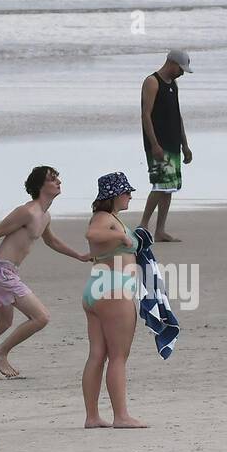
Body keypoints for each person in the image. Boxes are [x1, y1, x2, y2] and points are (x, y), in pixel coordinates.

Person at [0, 166, 89, 379]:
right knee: (41, 317)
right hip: (1, 272)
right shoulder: (26, 211)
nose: (58, 182)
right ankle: (0, 353)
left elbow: (52, 241)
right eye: (52, 179)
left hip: (6, 271)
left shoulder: (45, 215)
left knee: (3, 323)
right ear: (40, 186)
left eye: (58, 178)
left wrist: (79, 256)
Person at [82, 173, 147, 429]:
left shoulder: (109, 218)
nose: (130, 195)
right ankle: (121, 416)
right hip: (113, 290)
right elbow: (92, 234)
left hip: (97, 289)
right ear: (114, 195)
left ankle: (92, 416)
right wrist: (121, 238)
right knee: (118, 355)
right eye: (126, 191)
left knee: (97, 354)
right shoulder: (104, 219)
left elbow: (96, 244)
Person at [140, 50, 193, 242]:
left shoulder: (174, 85)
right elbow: (146, 115)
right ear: (171, 63)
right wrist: (154, 145)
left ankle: (160, 230)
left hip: (173, 143)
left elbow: (177, 115)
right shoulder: (152, 82)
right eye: (180, 69)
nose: (181, 73)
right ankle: (143, 226)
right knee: (160, 184)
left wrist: (185, 144)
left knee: (170, 187)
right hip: (158, 144)